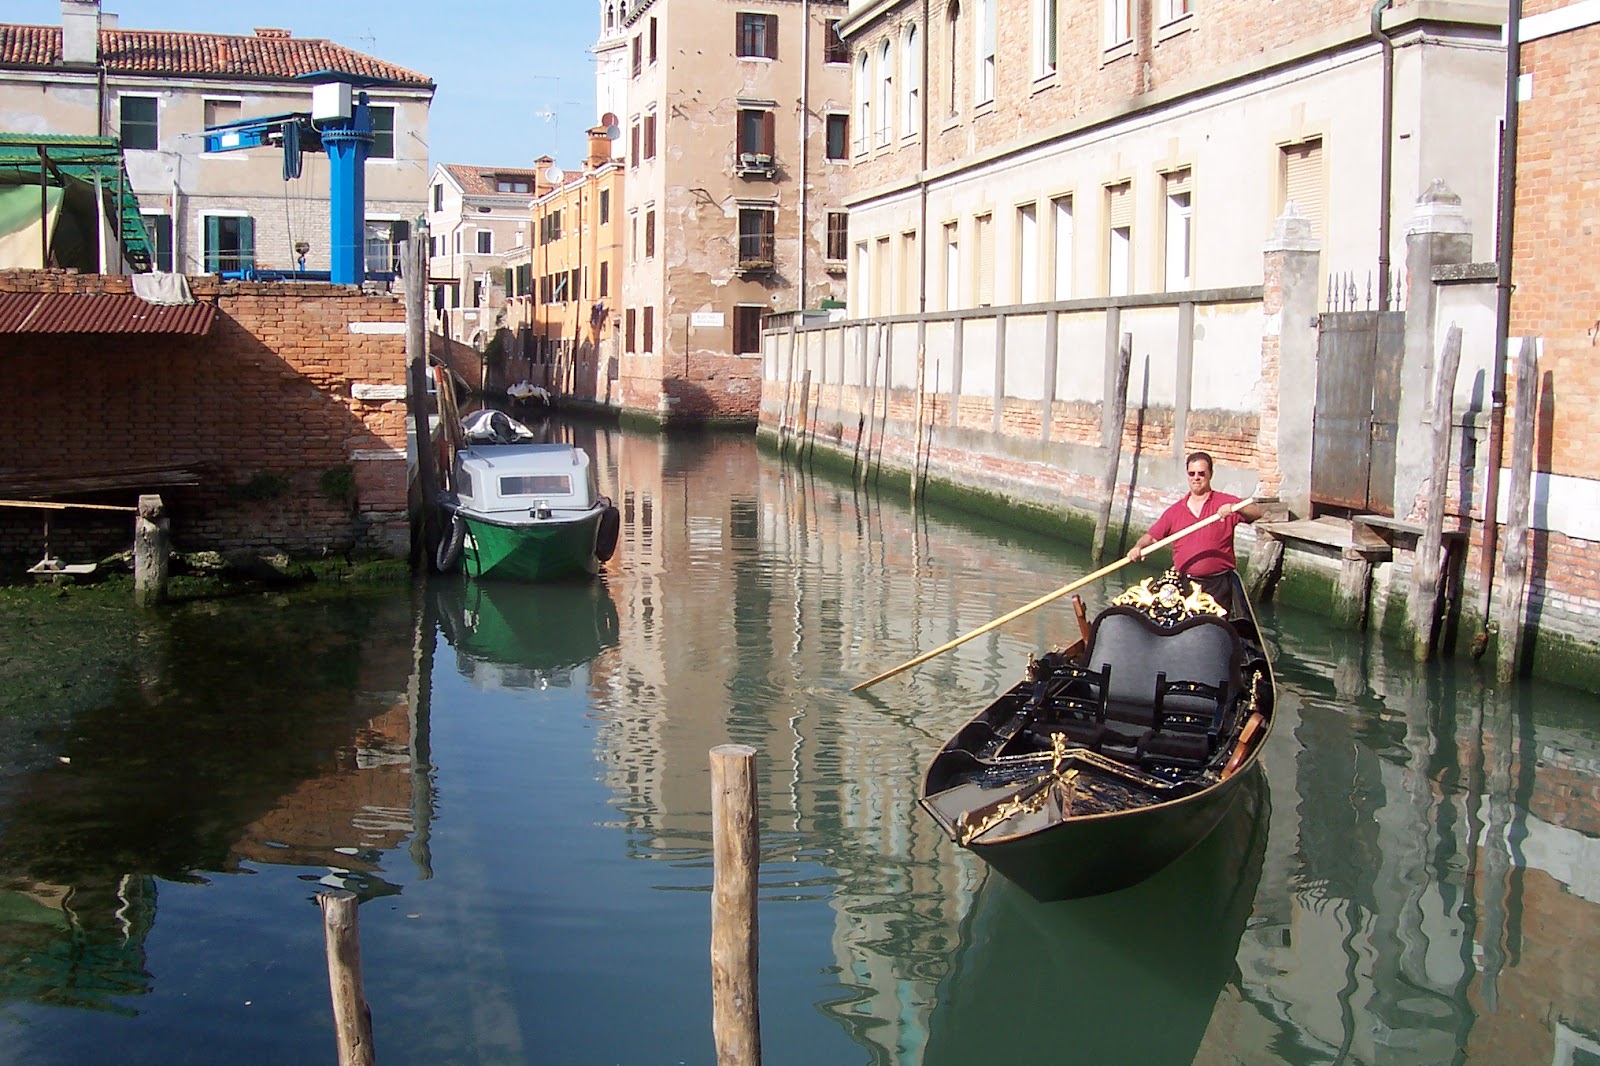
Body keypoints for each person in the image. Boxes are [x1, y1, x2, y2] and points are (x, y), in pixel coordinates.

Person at [1126, 451, 1262, 617]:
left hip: (1218, 585)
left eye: (1201, 473)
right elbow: (1152, 537)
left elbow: (1256, 513)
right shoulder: (1174, 511)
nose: (1196, 478)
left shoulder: (1226, 503)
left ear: (1210, 474)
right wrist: (1138, 547)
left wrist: (1237, 507)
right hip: (1185, 584)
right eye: (1192, 473)